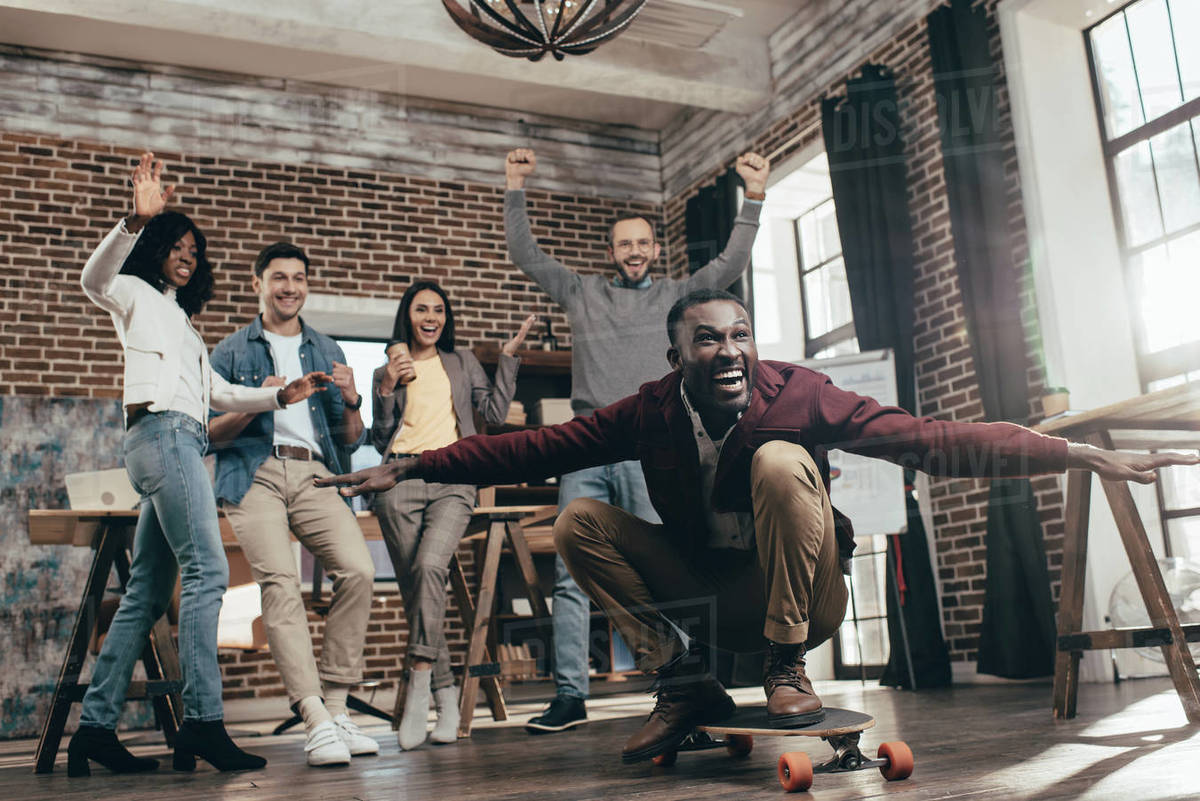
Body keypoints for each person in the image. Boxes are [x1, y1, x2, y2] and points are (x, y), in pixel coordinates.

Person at [318, 288, 1199, 764]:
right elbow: (535, 445)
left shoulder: (798, 394)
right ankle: (685, 681)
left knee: (781, 460)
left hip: (803, 602)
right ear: (677, 356)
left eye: (739, 333)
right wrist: (414, 463)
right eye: (707, 339)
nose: (729, 349)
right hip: (708, 599)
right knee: (582, 518)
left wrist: (1072, 454)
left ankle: (784, 666)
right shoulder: (649, 410)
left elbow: (931, 440)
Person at [72, 152, 329, 777]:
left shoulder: (185, 324)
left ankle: (94, 730)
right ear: (155, 248)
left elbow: (218, 393)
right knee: (209, 570)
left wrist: (280, 397)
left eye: (194, 250)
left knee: (146, 591)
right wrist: (135, 220)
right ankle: (203, 722)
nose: (187, 256)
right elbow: (92, 279)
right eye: (176, 246)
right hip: (163, 436)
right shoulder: (133, 293)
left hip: (179, 442)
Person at [503, 147, 770, 733]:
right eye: (624, 243)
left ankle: (687, 687)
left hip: (654, 448)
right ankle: (570, 695)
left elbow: (729, 263)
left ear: (654, 248)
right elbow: (525, 253)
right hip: (587, 448)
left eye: (642, 242)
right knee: (571, 574)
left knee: (666, 567)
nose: (634, 251)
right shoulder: (580, 292)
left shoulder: (679, 297)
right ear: (611, 252)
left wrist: (753, 195)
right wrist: (515, 183)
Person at [207, 242, 379, 767]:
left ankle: (336, 707)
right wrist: (262, 399)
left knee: (359, 571)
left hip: (315, 473)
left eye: (298, 277)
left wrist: (352, 399)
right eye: (279, 277)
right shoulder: (230, 352)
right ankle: (314, 718)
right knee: (280, 584)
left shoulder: (327, 348)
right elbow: (207, 433)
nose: (290, 287)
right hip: (253, 471)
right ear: (257, 284)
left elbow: (351, 439)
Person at [370, 280, 535, 749]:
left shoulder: (462, 361)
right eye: (421, 309)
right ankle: (446, 693)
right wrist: (387, 386)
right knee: (417, 591)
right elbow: (380, 436)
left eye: (438, 310)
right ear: (407, 316)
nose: (431, 318)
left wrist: (508, 358)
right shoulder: (387, 369)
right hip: (399, 480)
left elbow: (494, 414)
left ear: (446, 317)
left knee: (429, 567)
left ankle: (421, 681)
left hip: (454, 477)